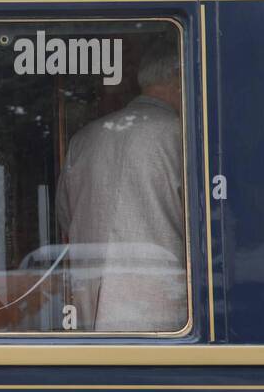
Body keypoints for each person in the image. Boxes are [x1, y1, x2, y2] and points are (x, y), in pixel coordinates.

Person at [55, 45, 185, 331]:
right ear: (179, 78)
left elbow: (66, 218)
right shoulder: (182, 135)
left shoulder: (83, 139)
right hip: (166, 315)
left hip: (92, 307)